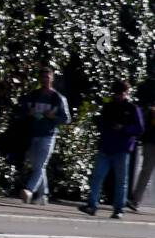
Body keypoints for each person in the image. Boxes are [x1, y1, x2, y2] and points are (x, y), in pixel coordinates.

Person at [79, 80, 145, 218]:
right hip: (106, 146)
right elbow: (101, 123)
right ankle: (92, 205)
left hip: (122, 148)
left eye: (121, 93)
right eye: (116, 94)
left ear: (126, 93)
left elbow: (139, 128)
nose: (118, 96)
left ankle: (118, 209)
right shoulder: (108, 107)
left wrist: (124, 129)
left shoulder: (132, 108)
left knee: (121, 180)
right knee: (97, 177)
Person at [18, 64, 70, 205]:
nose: (45, 80)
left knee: (40, 165)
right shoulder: (33, 96)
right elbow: (21, 112)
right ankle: (43, 195)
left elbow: (66, 119)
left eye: (47, 77)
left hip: (48, 135)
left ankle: (29, 190)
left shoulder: (57, 98)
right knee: (38, 167)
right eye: (42, 77)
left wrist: (53, 117)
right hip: (33, 134)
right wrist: (27, 114)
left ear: (52, 78)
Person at [129, 94, 155, 211]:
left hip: (149, 142)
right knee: (146, 171)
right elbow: (145, 126)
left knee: (146, 171)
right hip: (150, 143)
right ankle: (135, 199)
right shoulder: (152, 111)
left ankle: (135, 199)